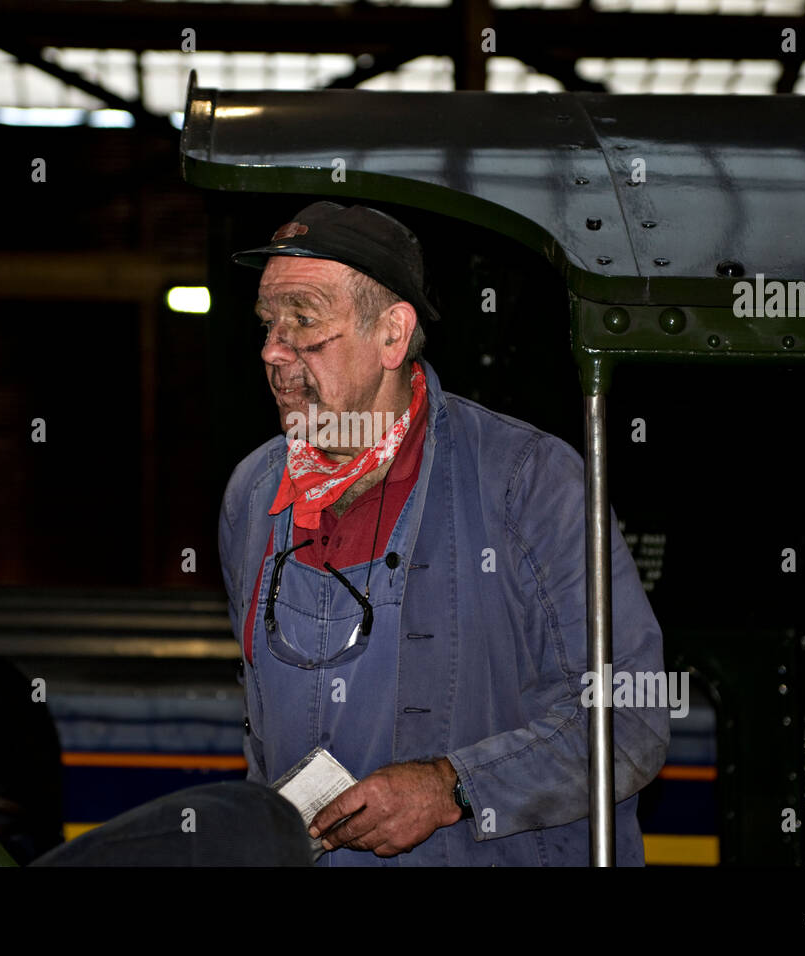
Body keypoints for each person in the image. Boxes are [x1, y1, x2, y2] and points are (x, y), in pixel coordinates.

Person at [218, 200, 669, 865]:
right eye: (268, 324)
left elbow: (629, 719)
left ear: (393, 336)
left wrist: (454, 786)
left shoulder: (528, 483)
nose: (273, 352)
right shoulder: (254, 496)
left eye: (304, 321)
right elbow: (264, 745)